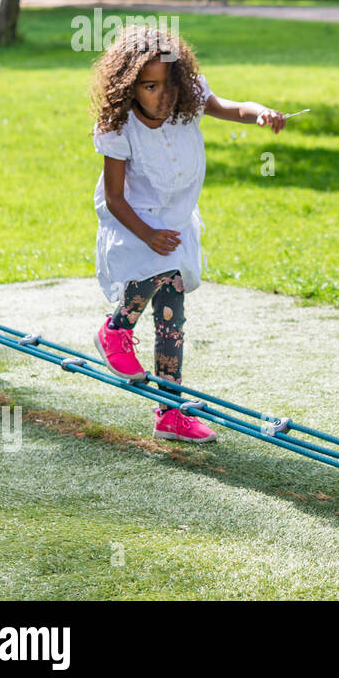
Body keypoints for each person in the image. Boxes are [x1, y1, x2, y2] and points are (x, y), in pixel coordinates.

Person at [89, 25, 289, 442]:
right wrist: (147, 235)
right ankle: (117, 330)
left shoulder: (188, 100)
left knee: (171, 321)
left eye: (169, 85)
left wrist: (260, 113)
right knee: (159, 272)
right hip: (134, 221)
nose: (162, 96)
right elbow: (114, 198)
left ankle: (170, 412)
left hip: (175, 221)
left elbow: (232, 108)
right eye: (149, 86)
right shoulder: (118, 126)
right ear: (129, 87)